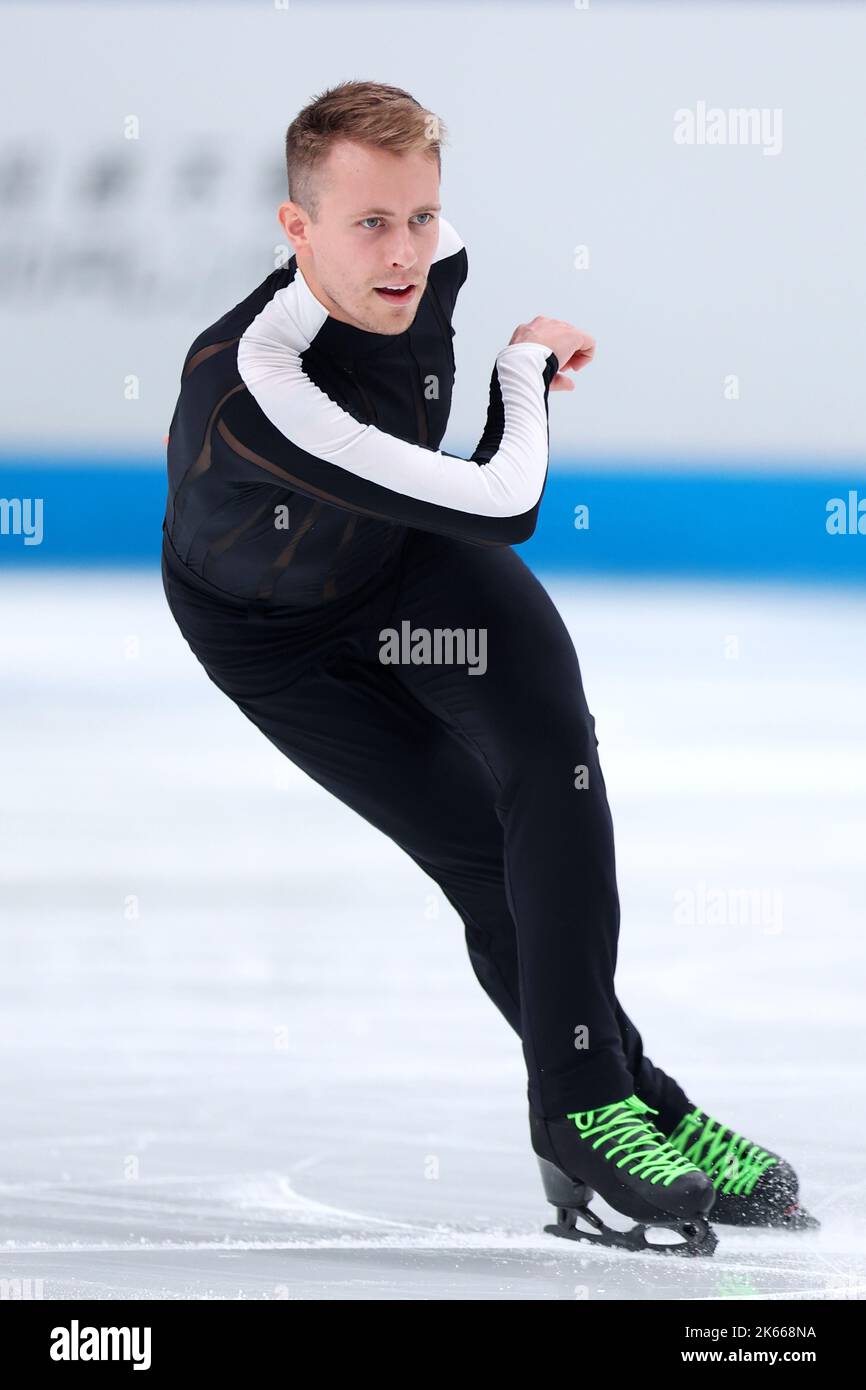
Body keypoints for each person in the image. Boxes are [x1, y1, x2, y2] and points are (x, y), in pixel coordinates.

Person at [161, 80, 816, 1253]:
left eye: (420, 216)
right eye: (368, 223)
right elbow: (507, 497)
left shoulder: (429, 257)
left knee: (552, 766)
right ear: (294, 229)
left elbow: (454, 493)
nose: (406, 252)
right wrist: (524, 369)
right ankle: (612, 1107)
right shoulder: (258, 382)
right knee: (474, 853)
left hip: (405, 558)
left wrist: (495, 377)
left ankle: (606, 1104)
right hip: (275, 640)